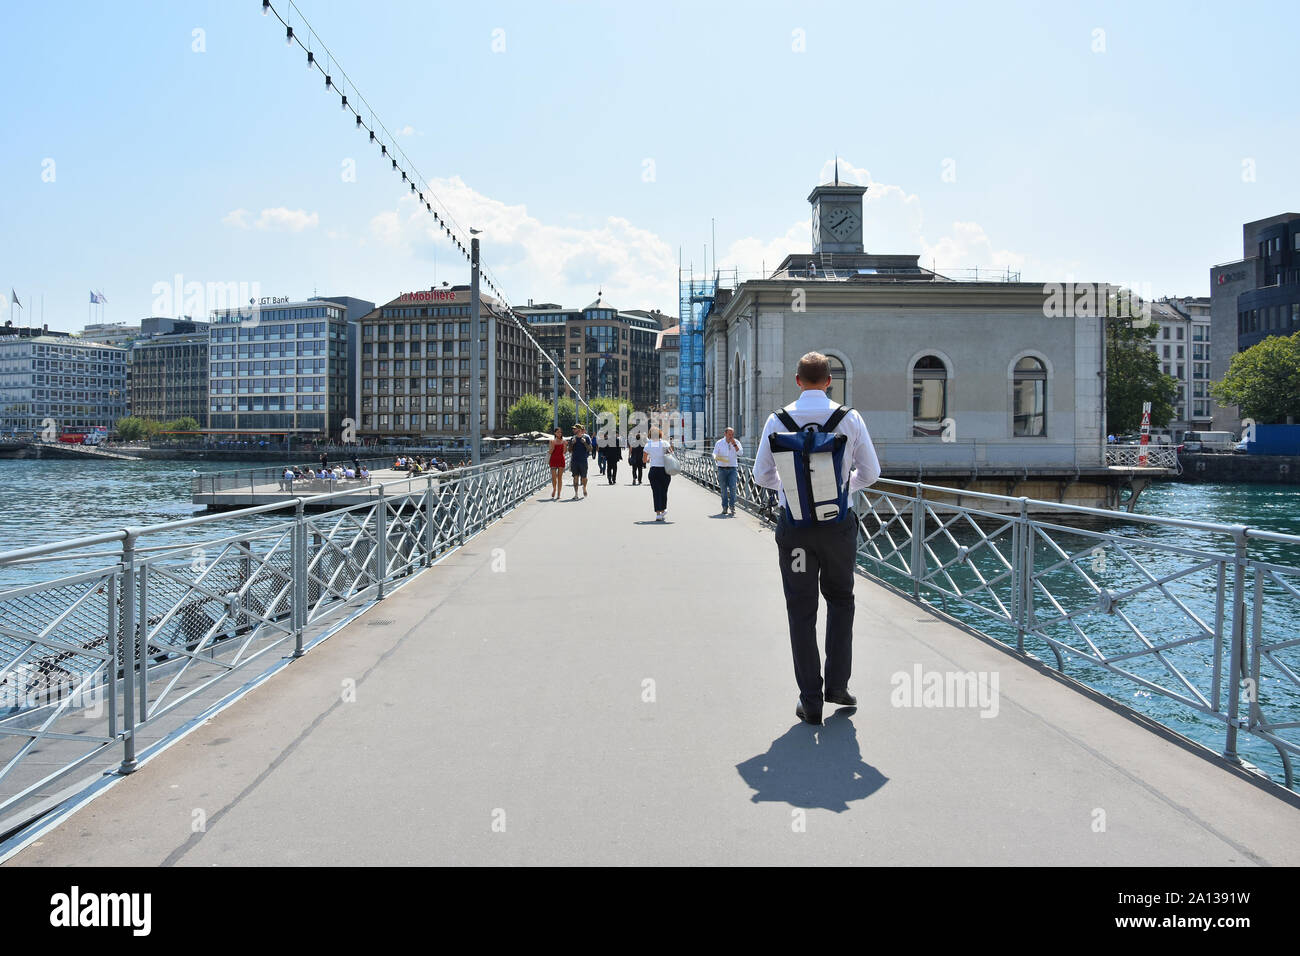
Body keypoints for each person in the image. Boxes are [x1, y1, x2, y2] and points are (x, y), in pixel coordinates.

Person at [752, 351, 882, 726]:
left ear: (797, 380)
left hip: (796, 530)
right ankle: (838, 687)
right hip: (838, 527)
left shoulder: (778, 420)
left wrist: (791, 494)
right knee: (841, 601)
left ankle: (810, 700)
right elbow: (871, 471)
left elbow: (762, 474)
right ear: (829, 381)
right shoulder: (849, 418)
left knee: (801, 609)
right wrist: (845, 489)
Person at [644, 426, 673, 521]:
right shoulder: (665, 443)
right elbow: (671, 454)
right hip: (665, 470)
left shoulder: (648, 445)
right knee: (664, 491)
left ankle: (658, 514)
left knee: (656, 492)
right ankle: (663, 509)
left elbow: (644, 460)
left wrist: (649, 459)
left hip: (653, 470)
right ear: (660, 434)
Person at [713, 426, 743, 516]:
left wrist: (734, 445)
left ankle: (732, 506)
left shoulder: (736, 442)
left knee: (733, 488)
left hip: (732, 469)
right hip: (722, 469)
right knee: (723, 490)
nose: (731, 436)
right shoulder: (719, 443)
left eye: (732, 434)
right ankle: (725, 507)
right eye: (729, 434)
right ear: (725, 434)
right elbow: (714, 453)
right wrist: (716, 458)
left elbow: (741, 453)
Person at [567, 424, 593, 499]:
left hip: (583, 461)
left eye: (575, 429)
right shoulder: (573, 438)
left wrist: (584, 443)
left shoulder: (586, 437)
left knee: (584, 477)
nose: (573, 430)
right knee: (575, 478)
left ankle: (584, 487)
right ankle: (576, 494)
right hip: (574, 461)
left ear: (579, 430)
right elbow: (569, 450)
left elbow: (590, 449)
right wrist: (572, 443)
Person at [547, 428, 566, 499]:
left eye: (560, 432)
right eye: (558, 432)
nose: (559, 434)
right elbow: (550, 452)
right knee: (554, 477)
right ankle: (554, 488)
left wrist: (565, 445)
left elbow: (564, 452)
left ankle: (559, 494)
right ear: (555, 433)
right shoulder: (551, 441)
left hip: (561, 460)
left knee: (560, 478)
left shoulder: (564, 441)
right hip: (553, 460)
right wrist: (553, 446)